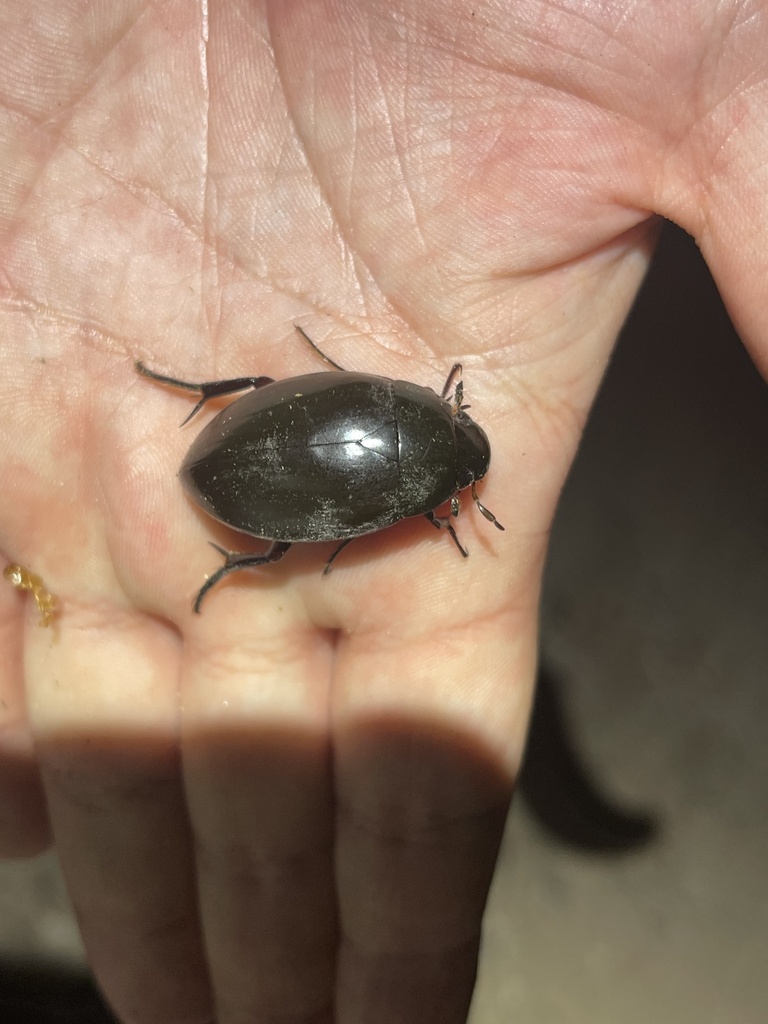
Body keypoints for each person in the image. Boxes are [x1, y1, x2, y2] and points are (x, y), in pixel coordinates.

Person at [0, 2, 762, 1021]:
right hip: (254, 475)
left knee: (282, 454)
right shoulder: (409, 487)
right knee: (291, 507)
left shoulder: (410, 416)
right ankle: (226, 524)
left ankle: (226, 519)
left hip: (258, 463)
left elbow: (327, 401)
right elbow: (340, 467)